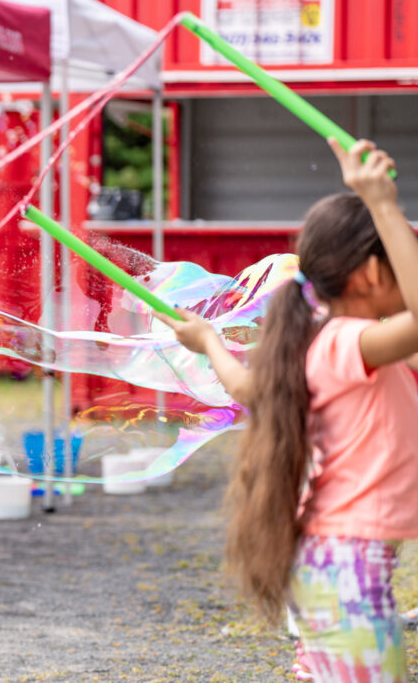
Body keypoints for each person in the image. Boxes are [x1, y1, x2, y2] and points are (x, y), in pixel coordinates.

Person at [155, 138, 418, 682]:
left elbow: (250, 388)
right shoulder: (348, 340)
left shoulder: (321, 345)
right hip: (348, 566)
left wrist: (209, 341)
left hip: (333, 561)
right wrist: (384, 205)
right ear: (371, 275)